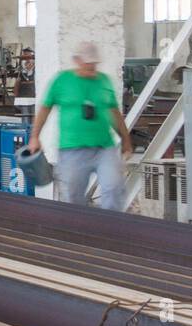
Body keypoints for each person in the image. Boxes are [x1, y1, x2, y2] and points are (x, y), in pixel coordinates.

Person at [25, 41, 133, 210]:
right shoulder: (62, 81)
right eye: (87, 64)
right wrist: (34, 137)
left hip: (104, 147)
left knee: (114, 187)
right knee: (74, 196)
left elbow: (114, 113)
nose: (91, 67)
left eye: (94, 64)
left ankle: (112, 228)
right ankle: (80, 230)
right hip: (72, 150)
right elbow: (44, 110)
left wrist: (126, 140)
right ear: (77, 60)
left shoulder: (104, 81)